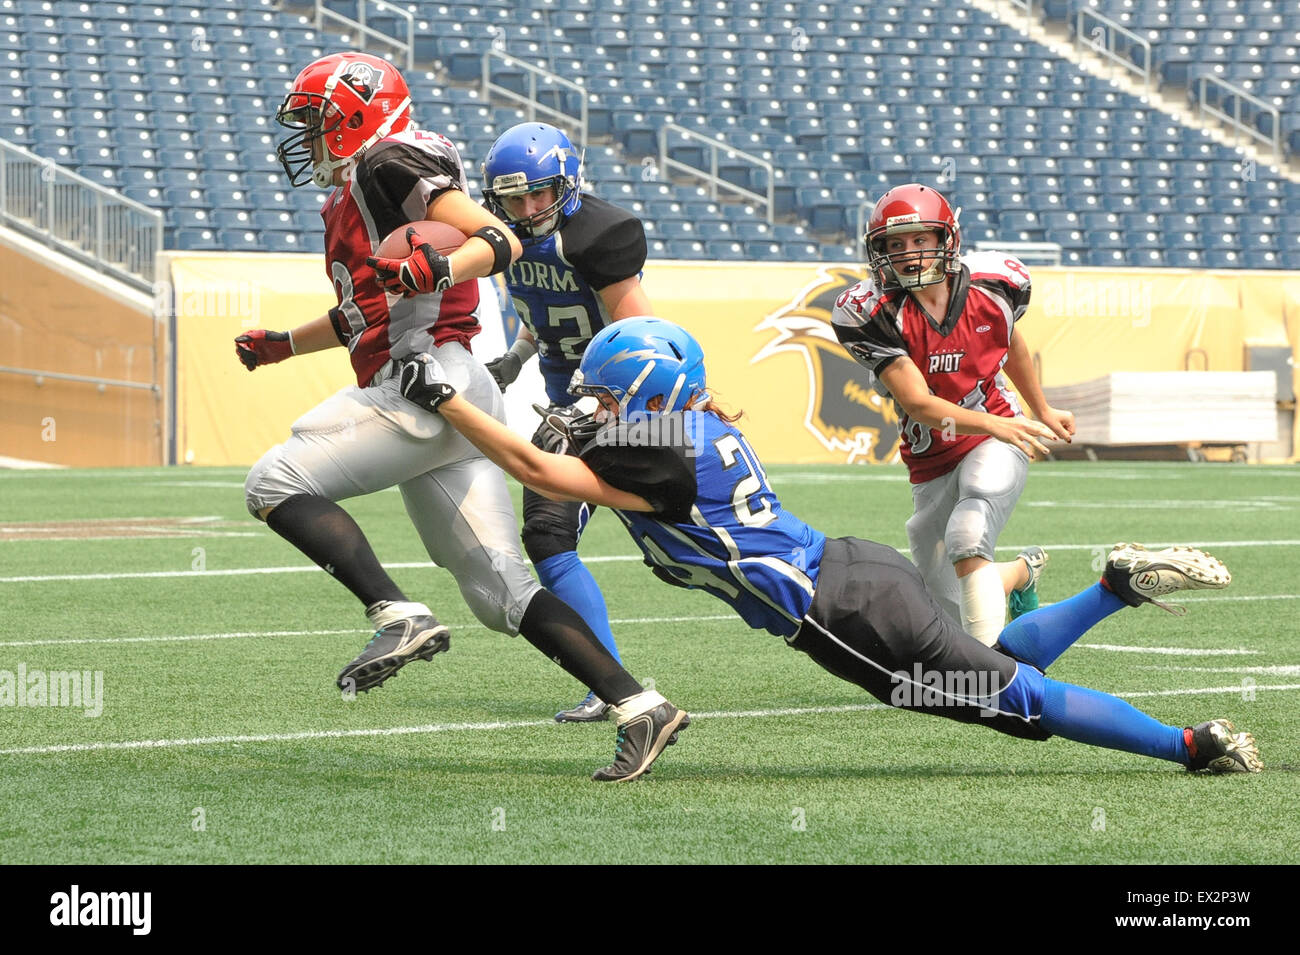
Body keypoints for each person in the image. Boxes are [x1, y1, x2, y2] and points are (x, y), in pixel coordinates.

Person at [393, 317, 1262, 775]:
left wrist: (451, 398)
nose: (592, 406)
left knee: (1019, 702)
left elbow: (529, 462)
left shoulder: (654, 456)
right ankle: (1110, 589)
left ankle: (1191, 744)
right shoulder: (690, 423)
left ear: (648, 397)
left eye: (606, 397)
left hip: (842, 615)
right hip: (858, 571)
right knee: (987, 659)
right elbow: (594, 438)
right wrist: (552, 407)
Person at [232, 52, 687, 782]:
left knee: (272, 479)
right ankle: (642, 706)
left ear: (354, 116)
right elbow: (363, 308)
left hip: (424, 381)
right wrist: (285, 344)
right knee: (500, 590)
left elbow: (497, 239)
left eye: (317, 122)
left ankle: (395, 613)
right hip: (451, 388)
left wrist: (442, 267)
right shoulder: (366, 187)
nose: (309, 139)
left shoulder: (389, 161)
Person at [832, 183, 1077, 646]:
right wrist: (996, 423)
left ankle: (997, 676)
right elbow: (919, 404)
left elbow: (1009, 342)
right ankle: (1019, 574)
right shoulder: (872, 312)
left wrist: (1038, 409)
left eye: (921, 239)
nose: (908, 254)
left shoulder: (994, 286)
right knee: (942, 601)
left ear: (947, 240)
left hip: (994, 431)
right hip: (932, 452)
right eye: (895, 244)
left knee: (968, 534)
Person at [477, 122, 653, 723]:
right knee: (549, 537)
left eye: (538, 194)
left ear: (568, 183)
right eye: (512, 199)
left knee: (693, 547)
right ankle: (609, 682)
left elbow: (639, 340)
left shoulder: (600, 234)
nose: (527, 210)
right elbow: (543, 313)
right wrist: (515, 360)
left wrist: (590, 401)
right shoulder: (506, 238)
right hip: (569, 410)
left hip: (626, 409)